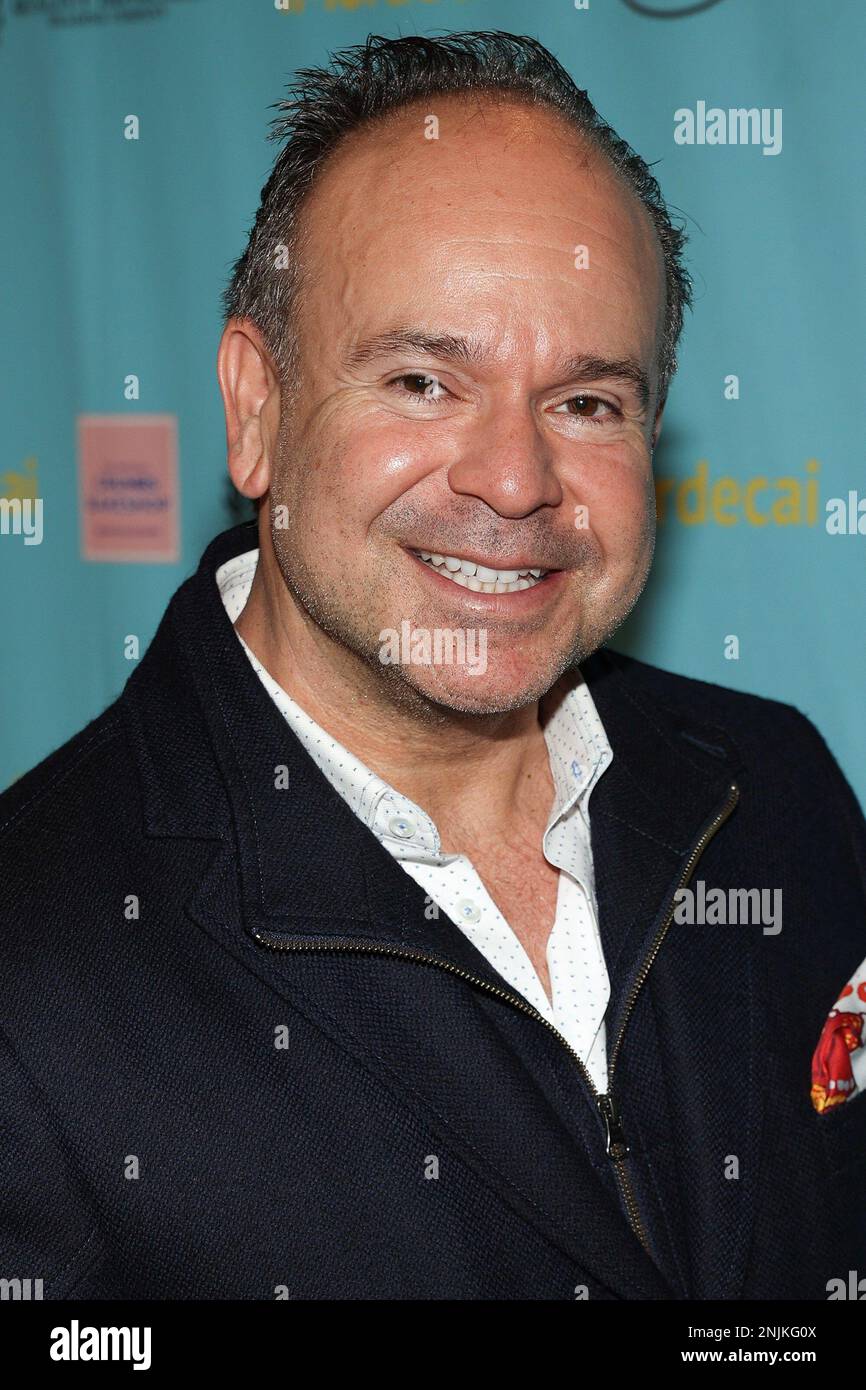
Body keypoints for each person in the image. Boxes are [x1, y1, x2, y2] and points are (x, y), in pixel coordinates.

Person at [2, 30, 865, 1301]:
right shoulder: (34, 977)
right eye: (421, 379)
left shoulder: (771, 784)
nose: (513, 480)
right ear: (256, 407)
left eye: (586, 402)